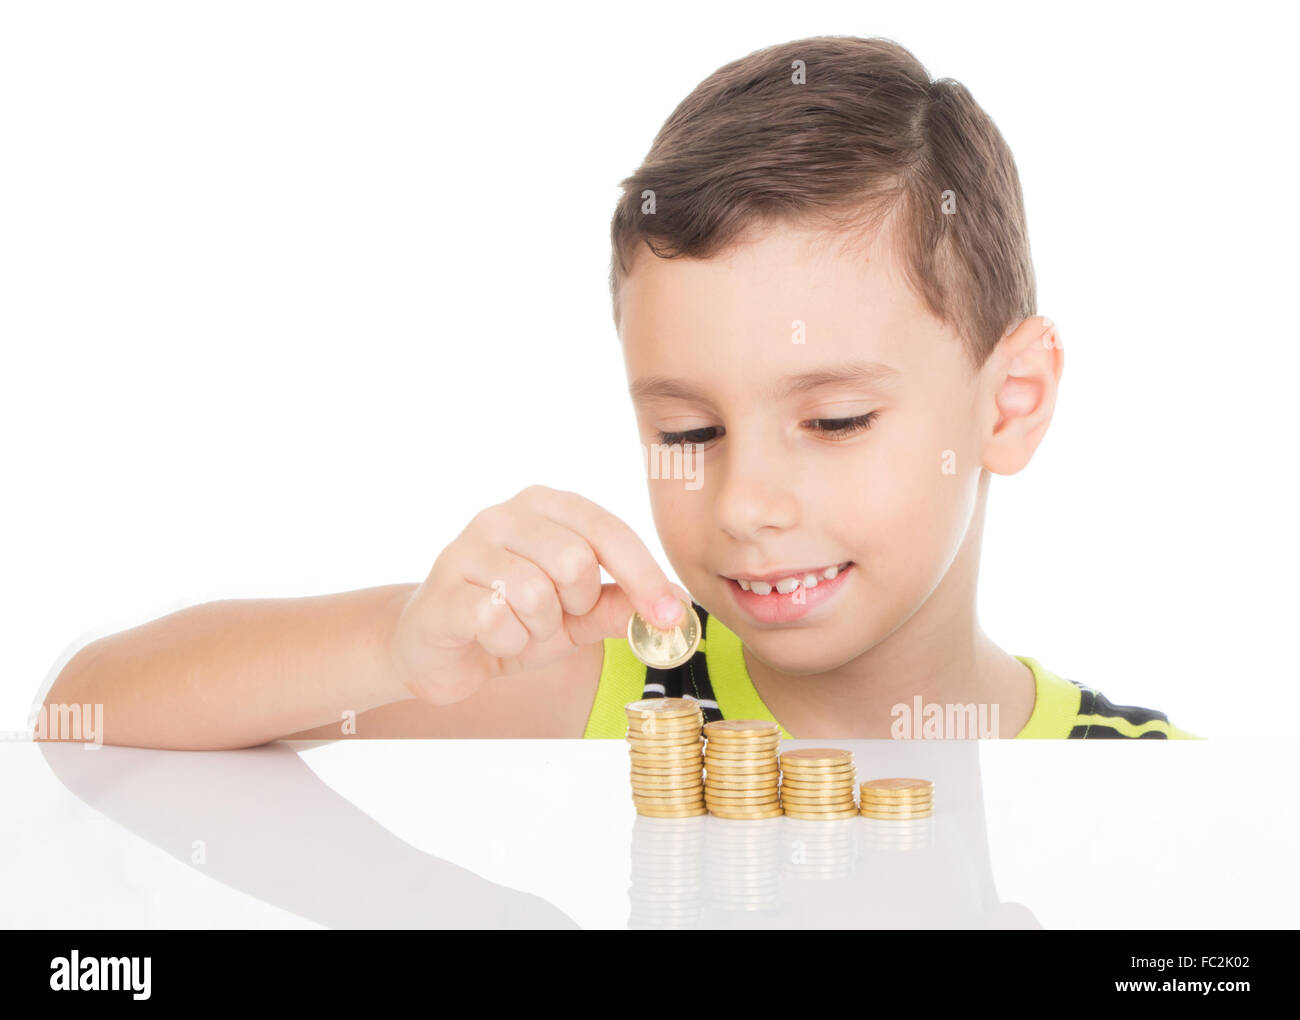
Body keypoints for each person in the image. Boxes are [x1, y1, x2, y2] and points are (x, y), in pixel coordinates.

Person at [40, 35, 1199, 748]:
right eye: (688, 429)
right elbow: (89, 708)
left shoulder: (1156, 794)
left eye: (835, 419)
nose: (744, 500)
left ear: (1008, 403)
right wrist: (397, 647)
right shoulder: (622, 692)